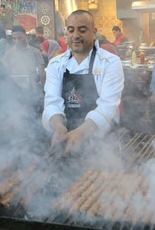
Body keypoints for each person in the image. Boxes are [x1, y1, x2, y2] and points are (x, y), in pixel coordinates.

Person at [42, 10, 124, 154]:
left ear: (94, 32)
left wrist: (81, 132)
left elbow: (108, 105)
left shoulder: (110, 62)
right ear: (66, 33)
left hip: (102, 143)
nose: (76, 35)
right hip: (67, 138)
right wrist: (59, 126)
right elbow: (52, 101)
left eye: (82, 30)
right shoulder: (56, 64)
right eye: (71, 30)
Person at [2, 25, 46, 109]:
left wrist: (44, 90)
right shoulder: (8, 54)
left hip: (31, 91)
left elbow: (42, 73)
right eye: (14, 38)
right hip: (15, 92)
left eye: (19, 38)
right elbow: (4, 73)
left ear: (25, 36)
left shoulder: (35, 52)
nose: (17, 41)